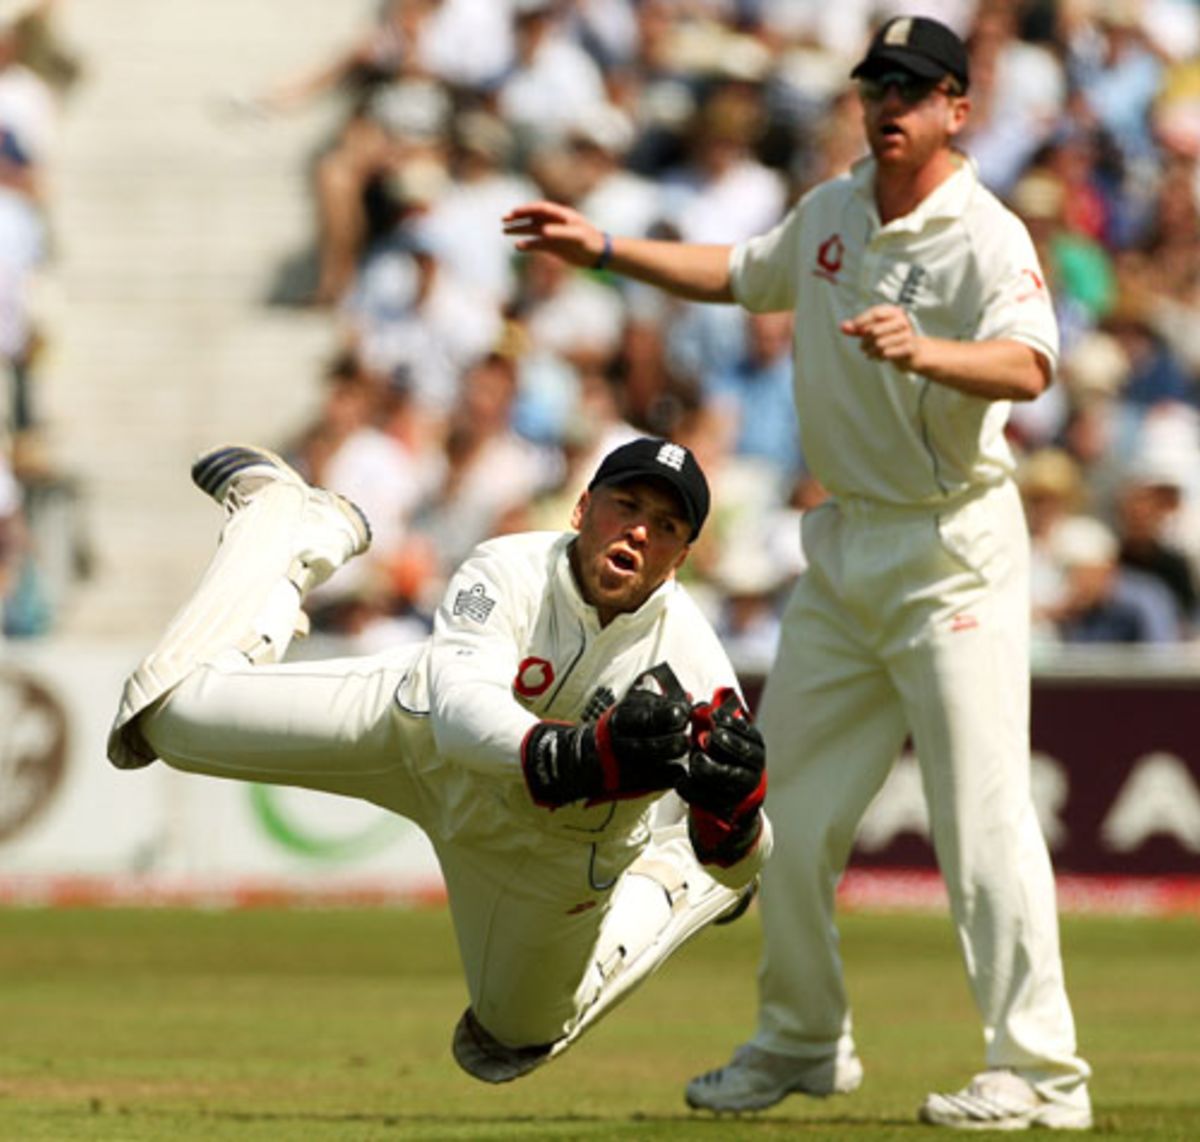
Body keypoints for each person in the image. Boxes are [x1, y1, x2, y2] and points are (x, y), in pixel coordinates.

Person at [503, 14, 1093, 1131]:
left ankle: (1041, 1073)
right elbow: (735, 272)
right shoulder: (830, 210)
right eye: (877, 87)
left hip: (953, 550)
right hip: (843, 551)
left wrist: (929, 351)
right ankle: (802, 1037)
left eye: (913, 92)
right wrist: (607, 252)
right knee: (776, 814)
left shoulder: (984, 234)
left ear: (958, 108)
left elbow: (1029, 362)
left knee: (983, 820)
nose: (888, 107)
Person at [106, 437, 770, 1081]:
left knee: (514, 1039)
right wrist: (577, 753)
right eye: (626, 506)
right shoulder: (504, 569)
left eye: (665, 525)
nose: (638, 533)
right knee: (167, 719)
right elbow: (459, 713)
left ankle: (677, 878)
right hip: (412, 739)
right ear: (582, 509)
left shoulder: (697, 663)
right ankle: (287, 526)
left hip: (551, 849)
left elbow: (745, 859)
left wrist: (733, 828)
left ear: (681, 558)